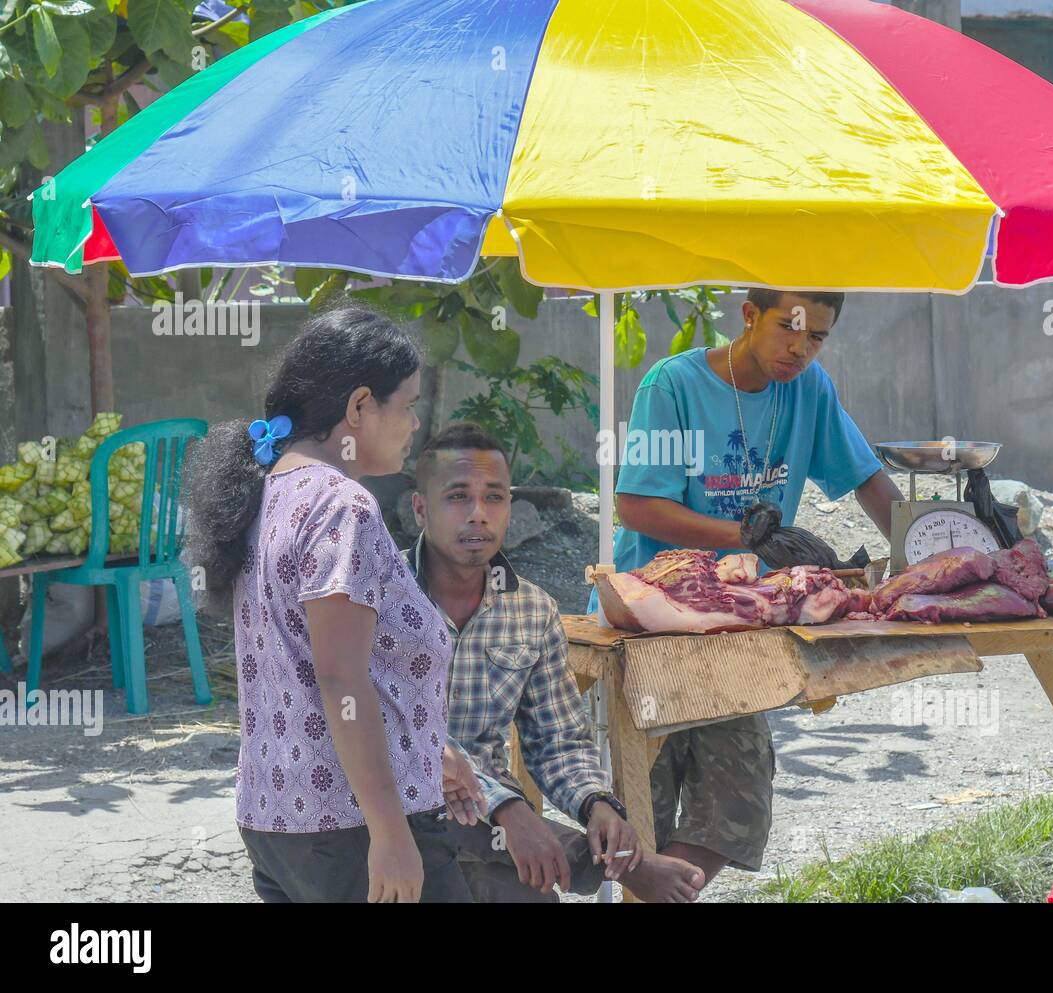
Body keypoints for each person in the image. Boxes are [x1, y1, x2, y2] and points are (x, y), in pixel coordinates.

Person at [585, 287, 903, 891]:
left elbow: (867, 479)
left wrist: (929, 552)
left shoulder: (809, 389)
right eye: (790, 328)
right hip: (656, 625)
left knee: (736, 804)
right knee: (638, 805)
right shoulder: (671, 384)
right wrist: (745, 535)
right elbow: (635, 505)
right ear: (749, 316)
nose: (801, 349)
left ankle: (665, 893)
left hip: (741, 621)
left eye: (817, 337)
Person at [186, 306, 490, 903]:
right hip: (351, 828)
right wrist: (389, 830)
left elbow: (314, 669)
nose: (415, 421)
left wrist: (425, 750)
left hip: (280, 821)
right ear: (358, 408)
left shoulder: (273, 492)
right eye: (405, 404)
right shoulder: (340, 507)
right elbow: (339, 678)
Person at [407, 422, 706, 903]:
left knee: (529, 887)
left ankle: (605, 854)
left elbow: (557, 737)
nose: (478, 515)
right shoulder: (380, 599)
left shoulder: (531, 610)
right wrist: (509, 808)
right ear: (421, 508)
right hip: (397, 809)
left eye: (495, 497)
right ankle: (628, 866)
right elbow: (388, 731)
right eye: (458, 496)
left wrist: (596, 804)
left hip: (491, 826)